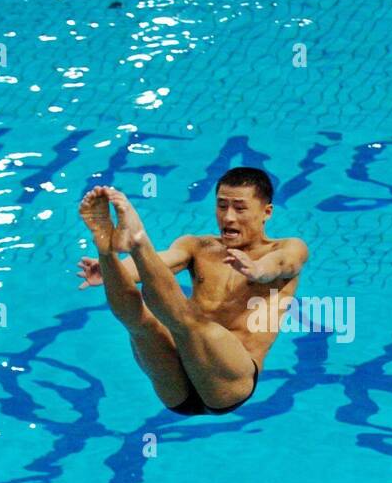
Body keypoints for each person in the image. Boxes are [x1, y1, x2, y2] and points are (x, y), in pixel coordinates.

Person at [77, 168, 308, 416]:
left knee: (192, 321)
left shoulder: (288, 247)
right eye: (222, 206)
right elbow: (157, 263)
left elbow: (283, 263)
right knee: (139, 324)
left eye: (240, 208)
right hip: (179, 386)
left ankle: (138, 240)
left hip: (231, 383)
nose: (228, 217)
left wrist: (257, 270)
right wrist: (112, 268)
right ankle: (106, 248)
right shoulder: (199, 246)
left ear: (266, 212)